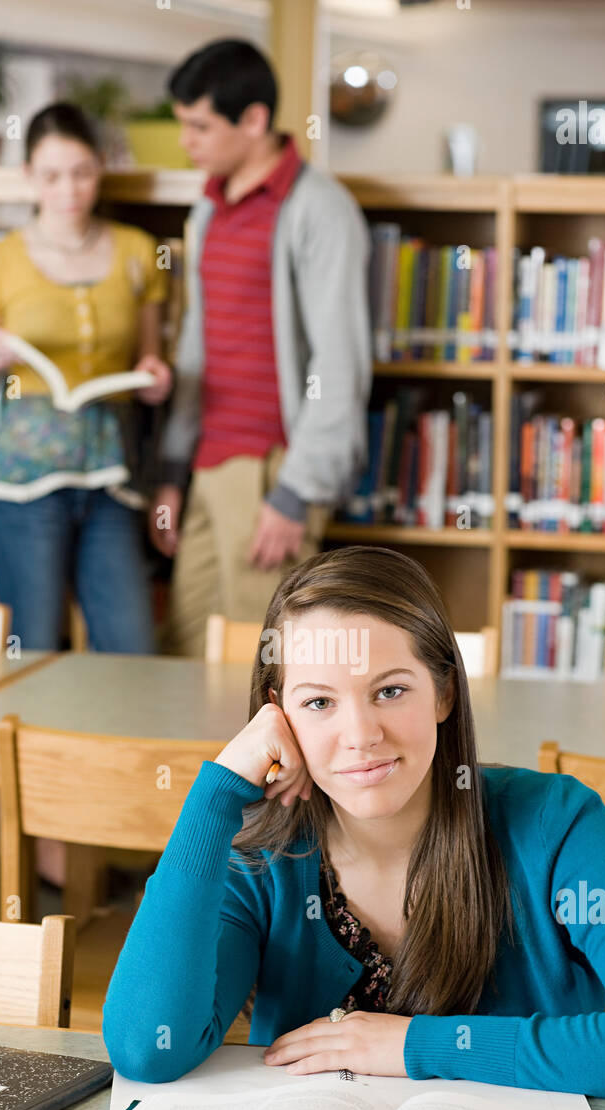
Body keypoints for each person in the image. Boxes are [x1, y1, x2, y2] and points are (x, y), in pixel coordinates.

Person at [102, 546, 605, 1106]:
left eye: (390, 691)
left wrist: (415, 1045)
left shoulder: (556, 824)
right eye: (319, 702)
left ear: (442, 692)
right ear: (278, 719)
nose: (361, 736)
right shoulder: (259, 853)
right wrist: (215, 798)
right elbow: (147, 1050)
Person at [150, 39, 372, 656]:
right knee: (188, 653)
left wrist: (295, 492)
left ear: (252, 120)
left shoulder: (320, 210)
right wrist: (172, 469)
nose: (186, 141)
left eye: (199, 125)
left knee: (260, 673)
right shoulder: (207, 209)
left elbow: (340, 359)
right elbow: (197, 343)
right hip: (207, 467)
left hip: (273, 471)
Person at [0, 102, 173, 652]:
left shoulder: (137, 252)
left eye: (81, 172)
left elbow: (150, 361)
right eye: (51, 176)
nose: (68, 190)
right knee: (34, 647)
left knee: (131, 648)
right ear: (28, 175)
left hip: (110, 476)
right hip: (21, 481)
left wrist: (155, 380)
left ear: (101, 167)